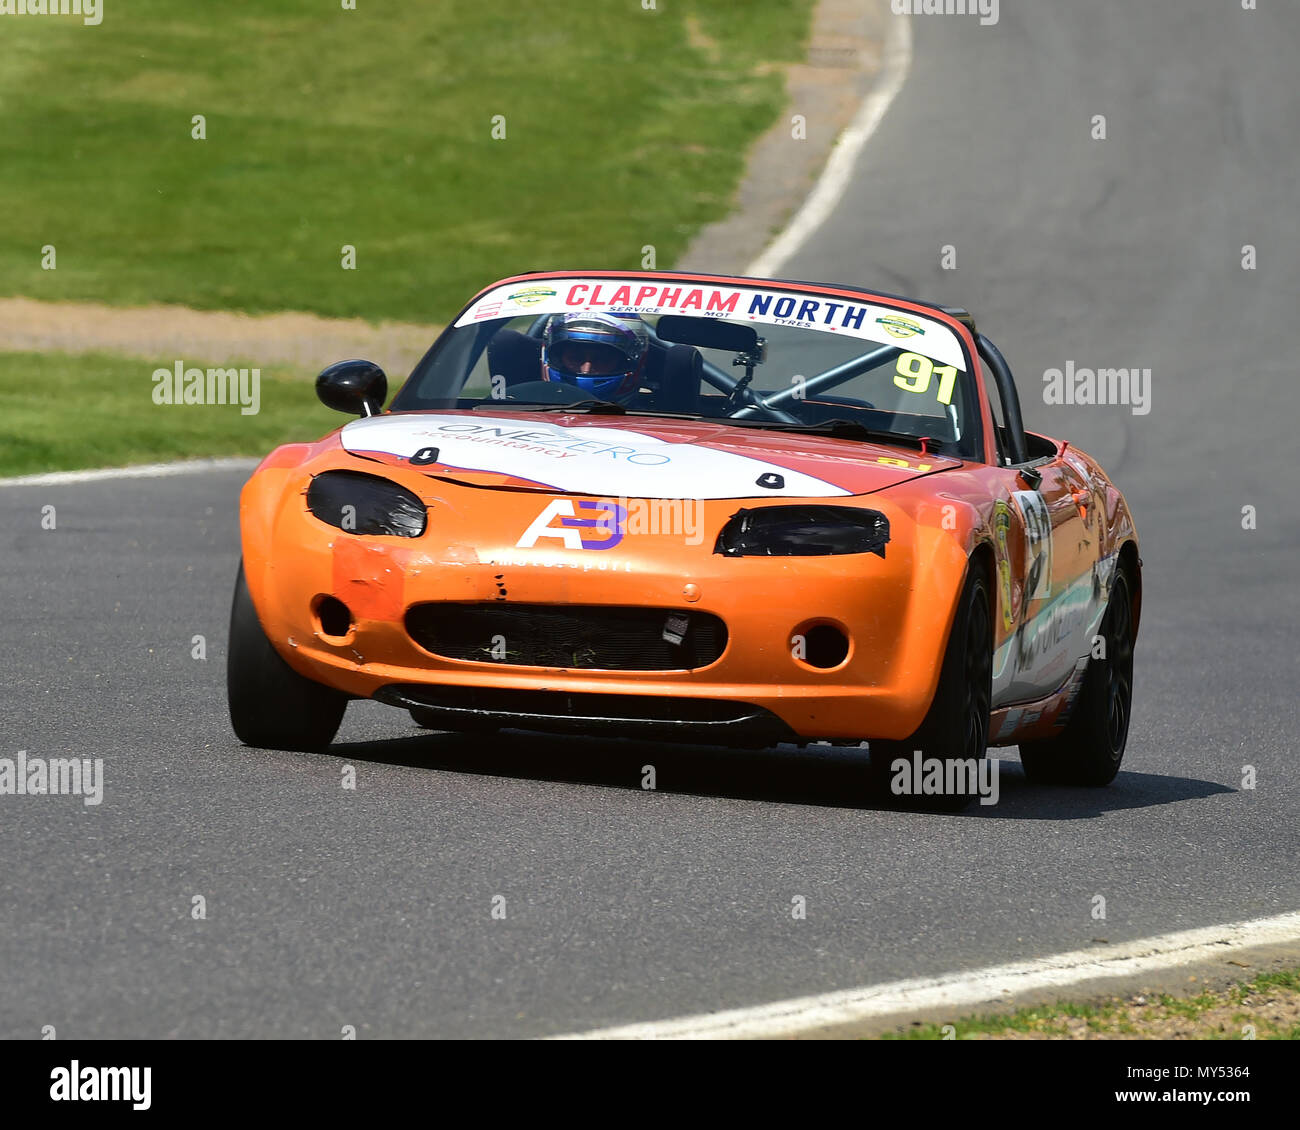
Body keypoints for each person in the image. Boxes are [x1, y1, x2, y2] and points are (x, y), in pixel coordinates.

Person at [540, 312, 649, 403]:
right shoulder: (526, 405)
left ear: (624, 362)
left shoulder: (657, 417)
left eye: (602, 359)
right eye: (576, 358)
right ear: (557, 358)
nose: (586, 370)